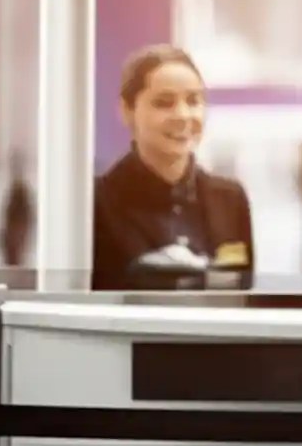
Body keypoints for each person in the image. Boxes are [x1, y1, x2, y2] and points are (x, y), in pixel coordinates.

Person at [93, 45, 254, 290]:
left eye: (193, 101)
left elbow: (244, 297)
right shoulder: (98, 202)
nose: (182, 115)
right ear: (127, 110)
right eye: (163, 103)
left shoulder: (230, 199)